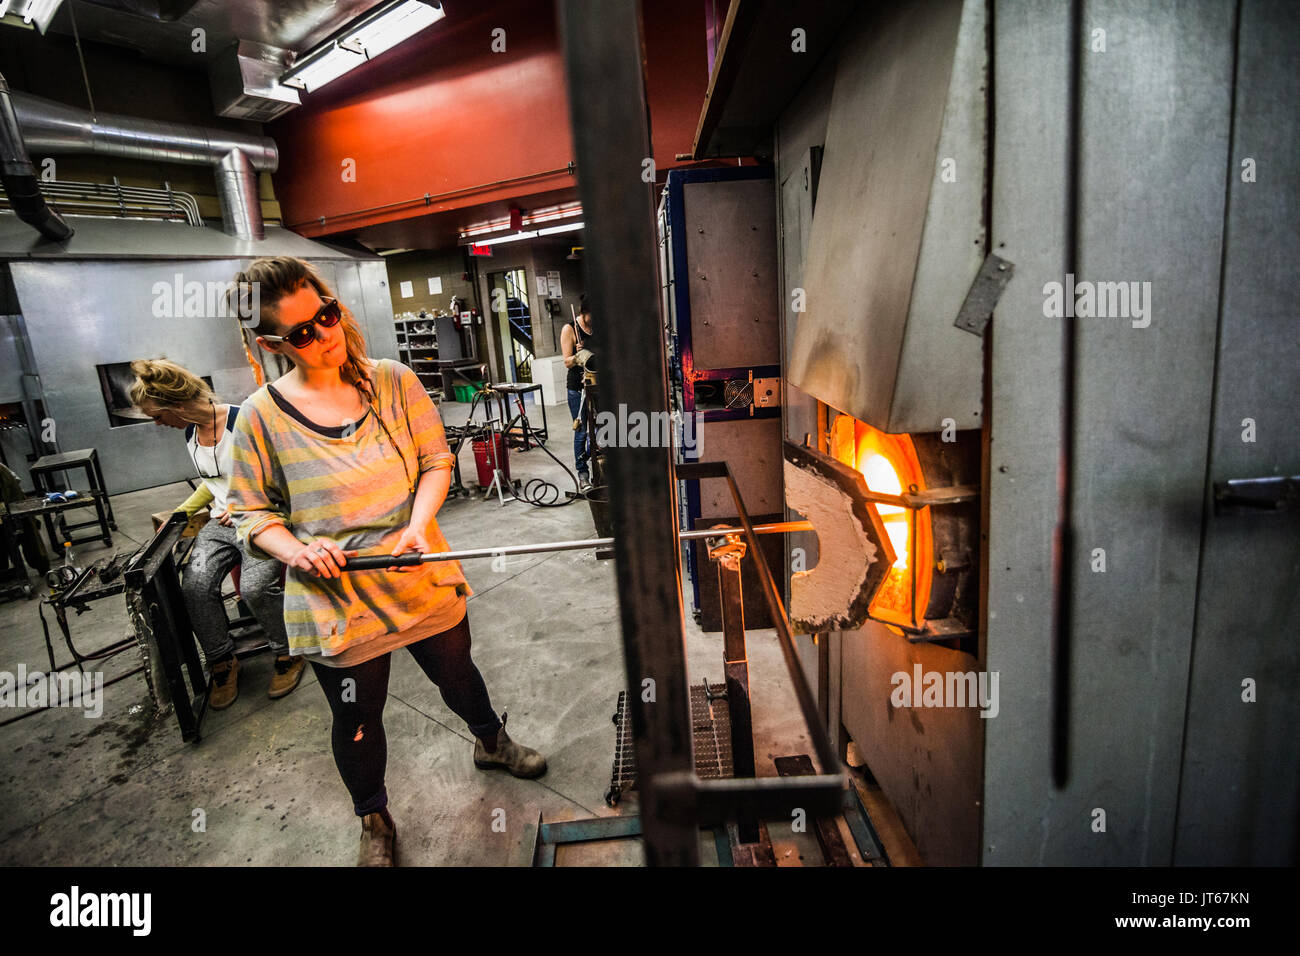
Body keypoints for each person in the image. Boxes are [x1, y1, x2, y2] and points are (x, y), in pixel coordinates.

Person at [224, 256, 546, 867]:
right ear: (273, 345)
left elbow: (435, 462)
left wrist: (417, 526)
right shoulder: (262, 417)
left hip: (415, 565)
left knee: (458, 676)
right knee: (356, 718)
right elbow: (250, 513)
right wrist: (298, 549)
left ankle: (490, 742)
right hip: (335, 594)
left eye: (327, 315)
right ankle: (374, 819)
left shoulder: (394, 381)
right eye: (303, 332)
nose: (325, 335)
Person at [128, 359, 302, 709]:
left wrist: (243, 507)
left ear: (175, 406)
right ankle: (222, 660)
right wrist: (181, 513)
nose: (158, 425)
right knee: (195, 586)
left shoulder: (246, 422)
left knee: (254, 588)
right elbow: (213, 484)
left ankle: (289, 652)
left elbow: (289, 480)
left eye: (157, 416)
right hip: (221, 527)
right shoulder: (191, 432)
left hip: (263, 520)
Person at [560, 293, 596, 493]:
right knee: (581, 431)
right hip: (578, 388)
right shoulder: (570, 329)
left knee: (602, 427)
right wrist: (577, 356)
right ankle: (583, 474)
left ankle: (601, 467)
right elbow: (566, 361)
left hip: (597, 384)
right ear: (584, 313)